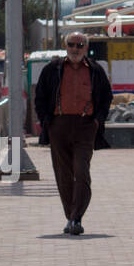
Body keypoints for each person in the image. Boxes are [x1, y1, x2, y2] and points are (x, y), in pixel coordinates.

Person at [33, 31, 112, 236]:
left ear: (86, 48)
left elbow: (106, 97)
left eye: (80, 45)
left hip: (86, 126)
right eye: (72, 44)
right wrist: (47, 122)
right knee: (63, 175)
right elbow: (40, 97)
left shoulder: (95, 70)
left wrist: (97, 121)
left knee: (81, 171)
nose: (75, 49)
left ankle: (77, 216)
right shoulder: (53, 69)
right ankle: (71, 216)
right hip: (59, 125)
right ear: (65, 46)